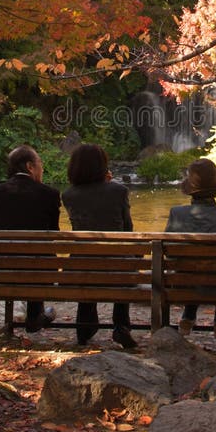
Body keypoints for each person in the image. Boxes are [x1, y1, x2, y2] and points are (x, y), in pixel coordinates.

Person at [0, 144, 61, 333]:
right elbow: (53, 234)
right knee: (39, 255)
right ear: (30, 166)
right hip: (39, 275)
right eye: (40, 163)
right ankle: (34, 317)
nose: (42, 168)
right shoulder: (50, 195)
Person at [61, 143, 137, 349]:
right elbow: (128, 231)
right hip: (118, 269)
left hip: (81, 267)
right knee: (124, 257)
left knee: (88, 258)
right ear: (102, 166)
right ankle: (121, 326)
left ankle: (84, 327)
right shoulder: (118, 190)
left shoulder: (68, 195)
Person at [165, 158, 216, 338]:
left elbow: (169, 250)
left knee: (192, 266)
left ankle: (188, 316)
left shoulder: (177, 214)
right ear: (215, 190)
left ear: (190, 191)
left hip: (185, 280)